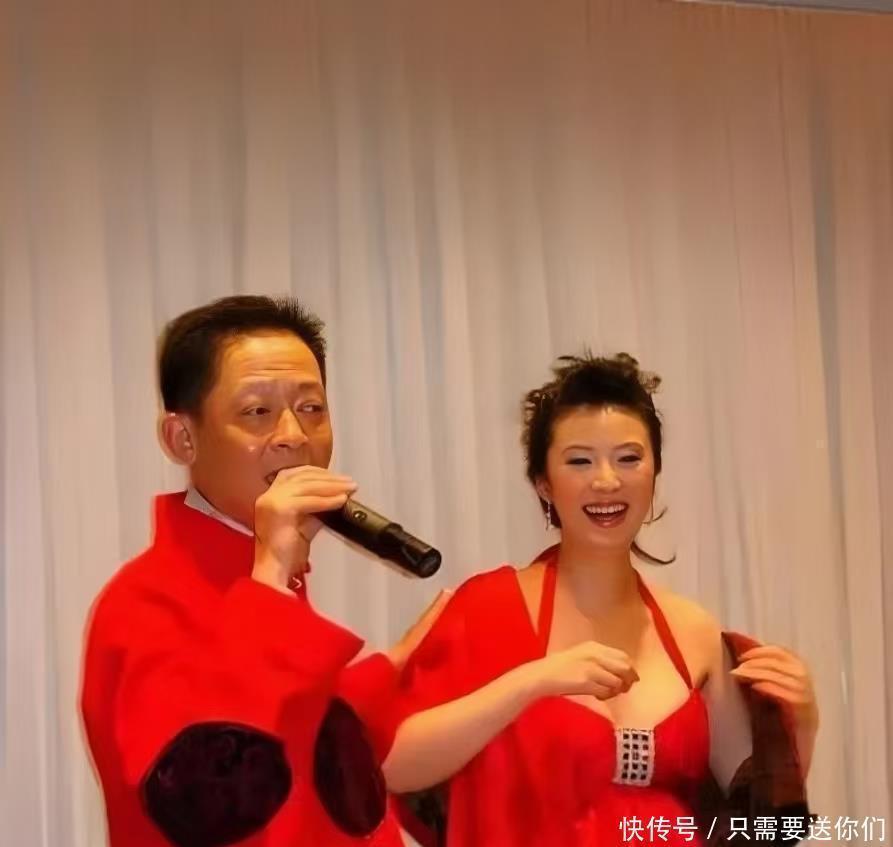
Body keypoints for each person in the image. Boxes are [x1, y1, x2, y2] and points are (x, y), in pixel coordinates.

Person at [384, 353, 818, 847]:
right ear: (543, 483)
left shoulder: (693, 631)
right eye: (580, 461)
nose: (607, 480)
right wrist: (531, 682)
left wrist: (801, 722)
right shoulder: (487, 606)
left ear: (655, 472)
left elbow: (758, 824)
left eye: (629, 458)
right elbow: (393, 764)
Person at [80, 295, 445, 847]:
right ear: (182, 438)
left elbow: (310, 753)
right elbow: (210, 801)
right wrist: (272, 570)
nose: (294, 434)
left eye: (312, 408)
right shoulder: (144, 601)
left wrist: (397, 664)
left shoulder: (270, 584)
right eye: (257, 412)